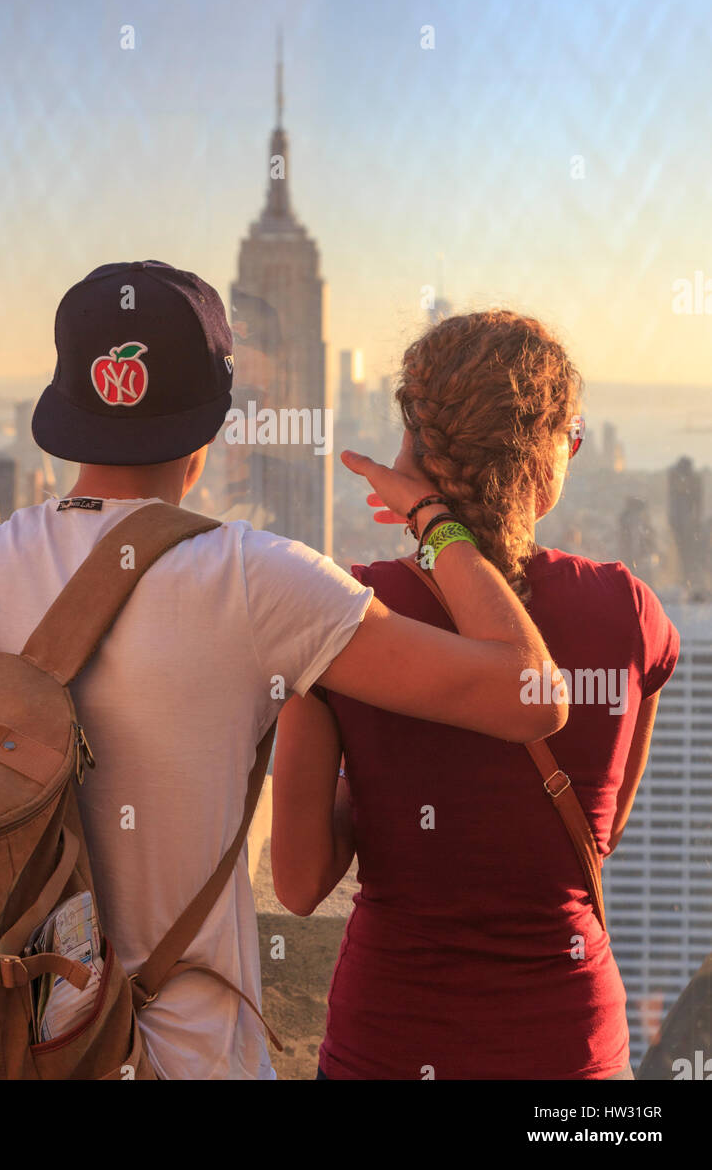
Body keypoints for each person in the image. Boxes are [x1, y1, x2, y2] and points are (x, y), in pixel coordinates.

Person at [0, 265, 565, 1081]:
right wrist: (432, 520)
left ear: (64, 412)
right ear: (212, 425)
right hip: (185, 1061)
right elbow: (530, 695)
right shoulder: (255, 581)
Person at [271, 309, 680, 1081]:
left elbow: (296, 882)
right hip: (572, 1054)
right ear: (547, 459)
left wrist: (386, 775)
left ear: (414, 455)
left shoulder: (347, 614)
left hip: (390, 1046)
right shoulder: (629, 612)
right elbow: (601, 831)